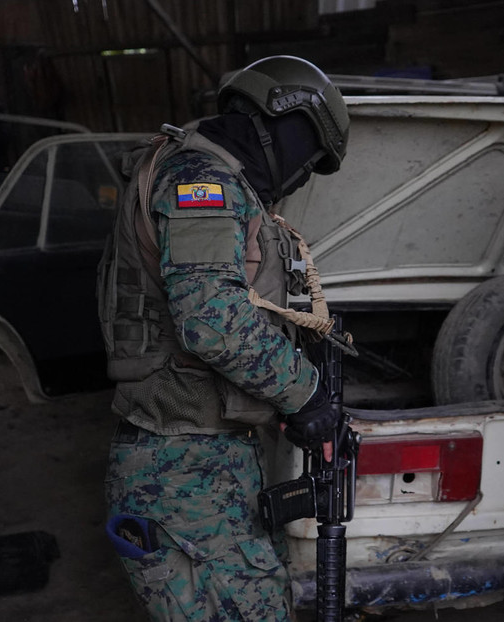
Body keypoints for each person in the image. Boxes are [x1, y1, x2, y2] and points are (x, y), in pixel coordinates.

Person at [98, 55, 350, 620]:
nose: (300, 177)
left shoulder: (209, 177)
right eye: (307, 161)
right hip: (181, 465)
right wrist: (305, 393)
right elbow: (211, 319)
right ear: (282, 122)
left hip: (199, 454)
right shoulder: (201, 181)